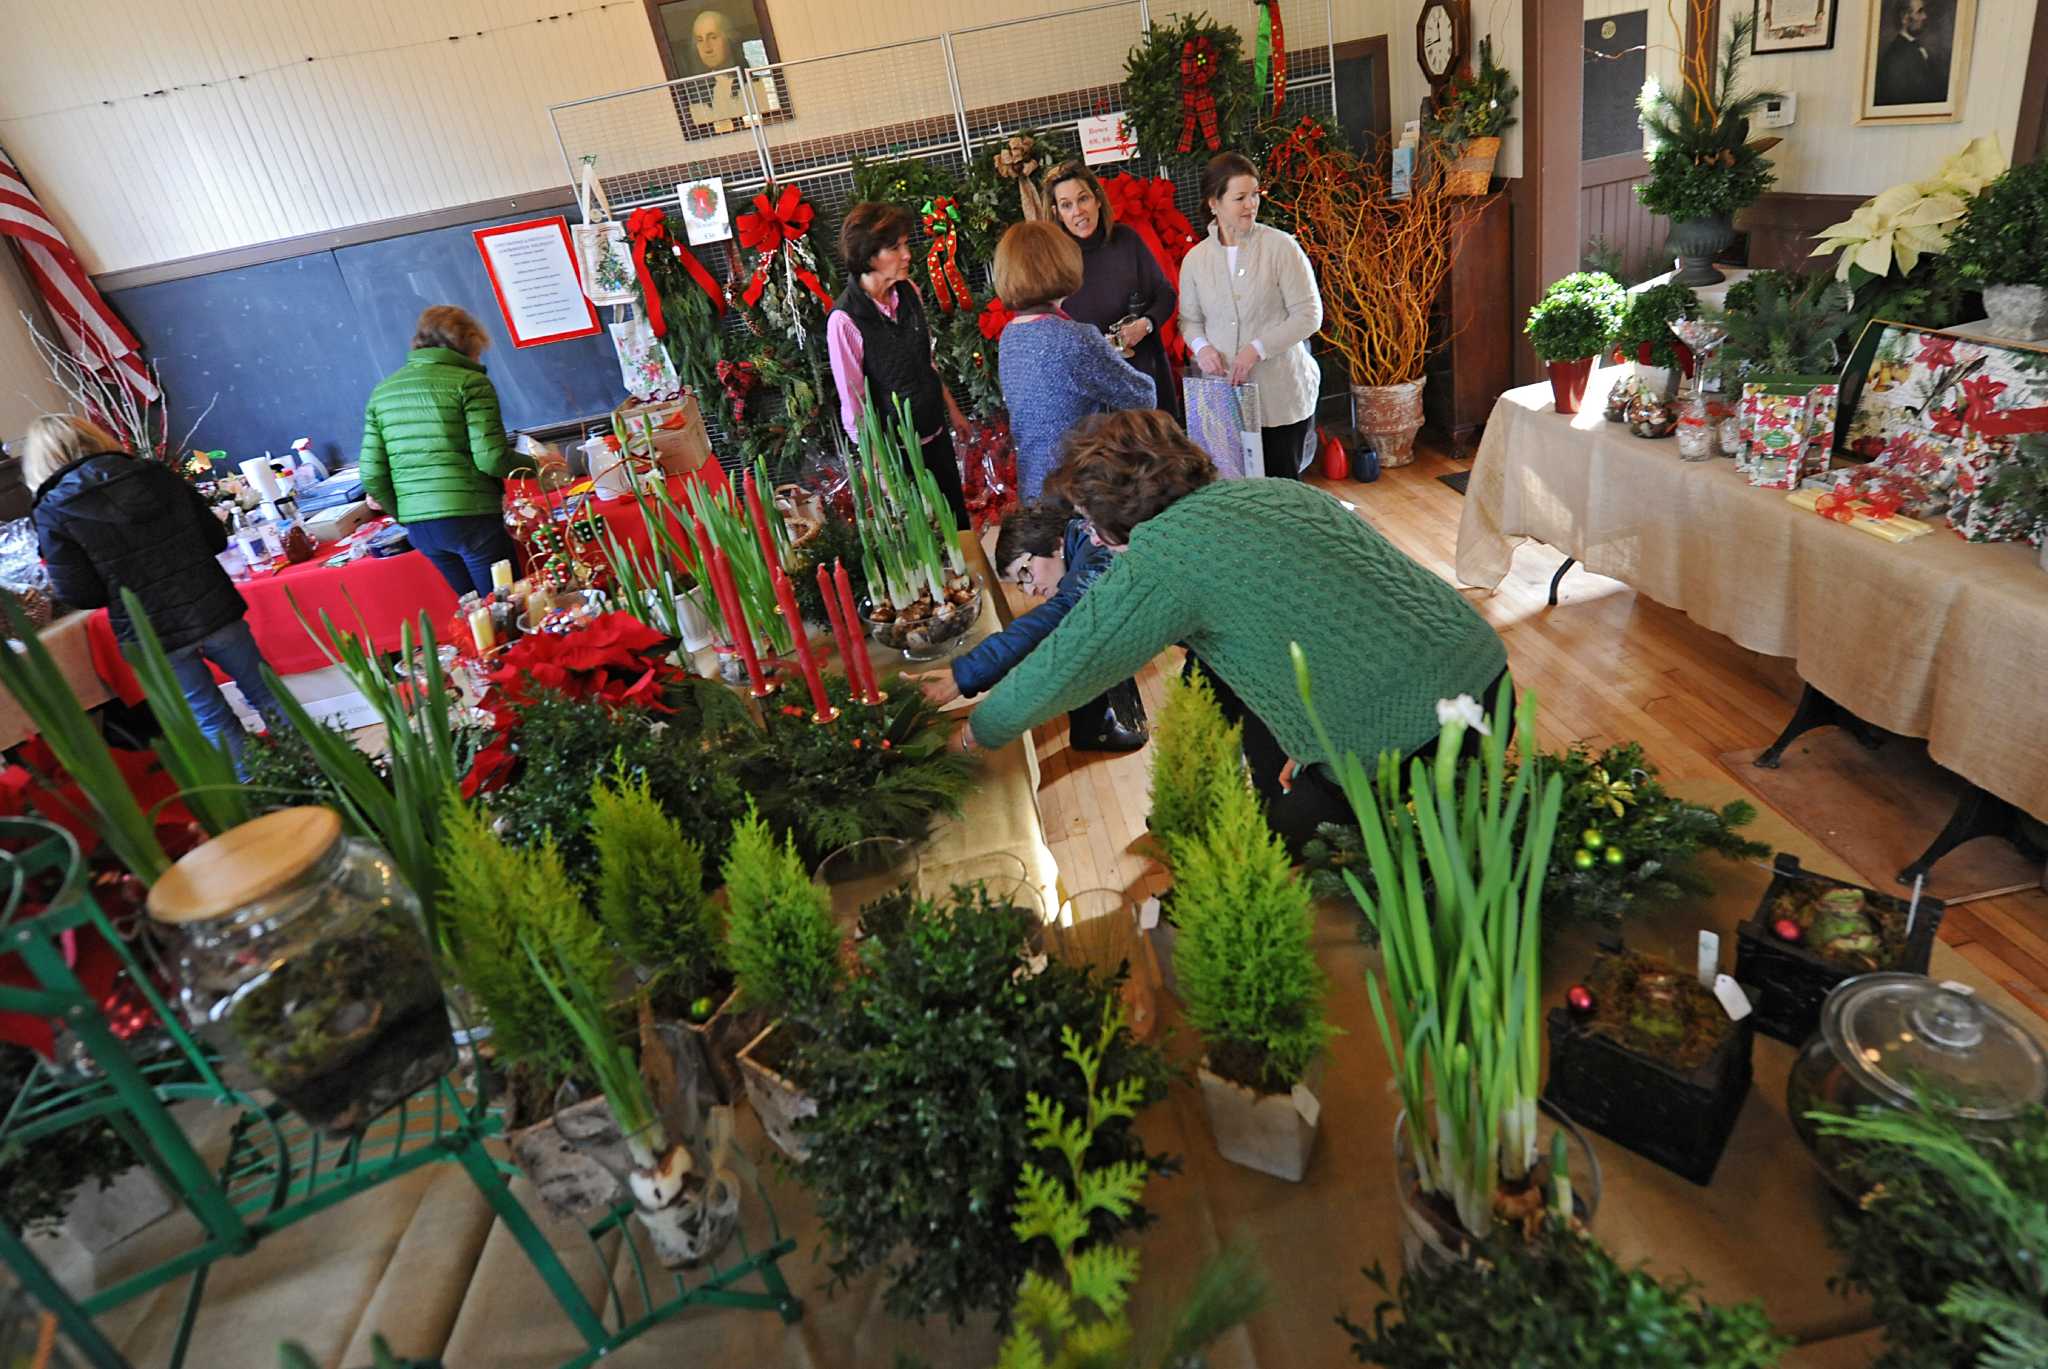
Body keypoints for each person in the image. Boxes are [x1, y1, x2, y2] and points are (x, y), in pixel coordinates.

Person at [950, 410, 1507, 850]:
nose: (1092, 539)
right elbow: (1352, 605)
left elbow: (1071, 662)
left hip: (1410, 735)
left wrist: (979, 731)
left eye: (1093, 521)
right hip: (1489, 679)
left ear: (1121, 509)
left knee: (1262, 869)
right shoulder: (1273, 491)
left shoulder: (1161, 553)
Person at [24, 414, 281, 765]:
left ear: (41, 461)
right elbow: (215, 539)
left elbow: (82, 595)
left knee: (211, 719)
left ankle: (272, 799)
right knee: (268, 695)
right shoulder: (156, 474)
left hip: (151, 634)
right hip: (213, 607)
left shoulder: (52, 511)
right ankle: (325, 774)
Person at [915, 501, 1147, 752]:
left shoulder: (1097, 551)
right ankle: (1093, 728)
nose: (1031, 589)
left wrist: (966, 675)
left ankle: (1096, 729)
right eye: (1020, 583)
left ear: (1054, 543)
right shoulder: (1078, 544)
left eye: (1025, 572)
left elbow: (1064, 613)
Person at [1177, 151, 1324, 480]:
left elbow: (1309, 314)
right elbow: (1189, 319)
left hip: (1281, 395)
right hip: (1224, 400)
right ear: (1214, 203)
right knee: (1237, 495)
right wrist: (1201, 347)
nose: (1251, 205)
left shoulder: (1281, 247)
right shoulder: (1195, 260)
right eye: (1240, 197)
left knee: (1283, 492)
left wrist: (1257, 348)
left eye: (1255, 195)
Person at [359, 305, 523, 598]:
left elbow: (372, 474)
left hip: (423, 531)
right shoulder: (471, 383)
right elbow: (491, 457)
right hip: (473, 520)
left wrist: (409, 514)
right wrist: (539, 465)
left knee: (477, 621)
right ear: (470, 342)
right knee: (510, 613)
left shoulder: (382, 391)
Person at [828, 202, 972, 527]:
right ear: (867, 256)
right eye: (895, 247)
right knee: (927, 535)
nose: (907, 254)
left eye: (905, 244)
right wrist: (883, 469)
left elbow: (926, 360)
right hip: (897, 453)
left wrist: (953, 410)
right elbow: (854, 408)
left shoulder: (910, 292)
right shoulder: (845, 320)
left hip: (935, 434)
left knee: (957, 522)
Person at [993, 221, 1156, 499]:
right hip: (1078, 491)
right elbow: (1142, 395)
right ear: (1060, 263)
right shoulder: (1072, 338)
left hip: (1033, 485)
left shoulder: (1011, 334)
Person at [1043, 161, 1182, 425]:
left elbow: (1165, 294)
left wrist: (1146, 324)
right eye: (1066, 204)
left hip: (1143, 378)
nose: (1078, 211)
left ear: (1097, 199)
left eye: (1083, 198)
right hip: (1092, 394)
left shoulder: (1126, 239)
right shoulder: (1055, 261)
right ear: (1057, 213)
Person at [1873, 0, 1947, 107]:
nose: (1925, 16)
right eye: (1920, 12)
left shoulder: (1916, 47)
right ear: (1905, 18)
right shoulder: (1896, 57)